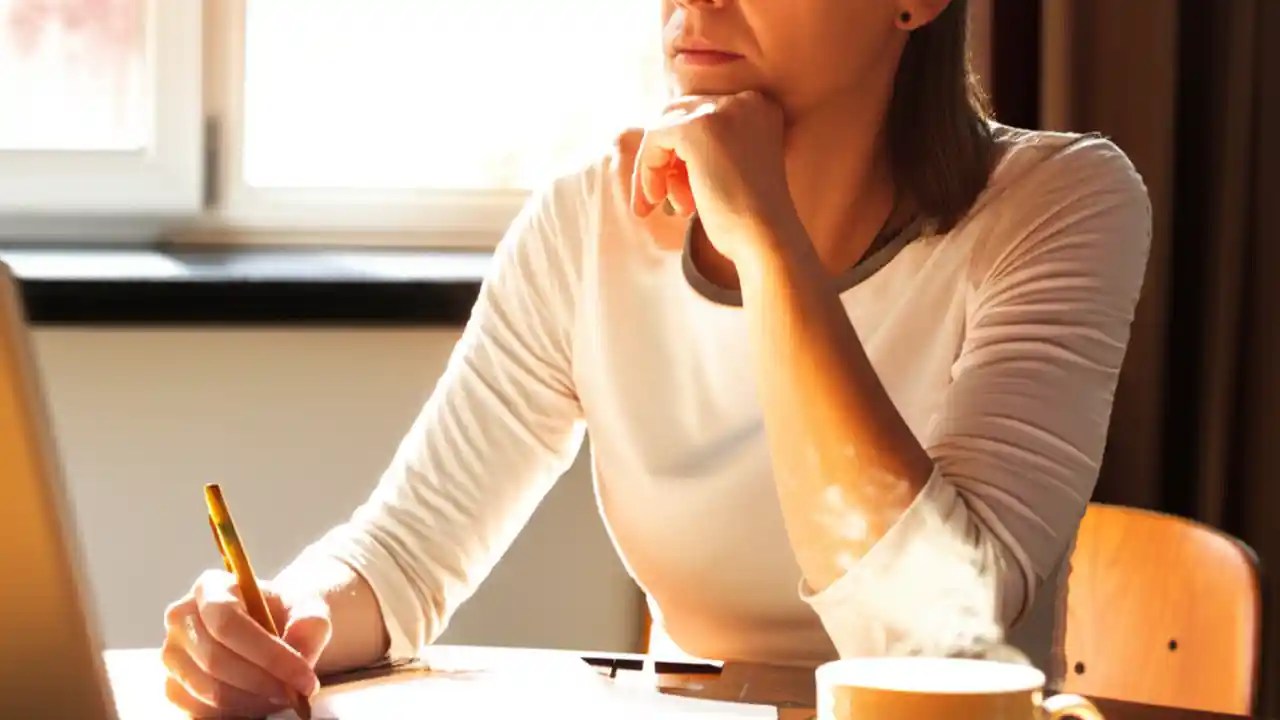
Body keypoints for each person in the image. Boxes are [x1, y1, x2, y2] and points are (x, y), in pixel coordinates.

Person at [160, 0, 1152, 715]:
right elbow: (402, 556)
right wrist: (280, 616)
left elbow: (926, 642)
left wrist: (764, 238)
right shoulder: (584, 221)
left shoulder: (1056, 206)